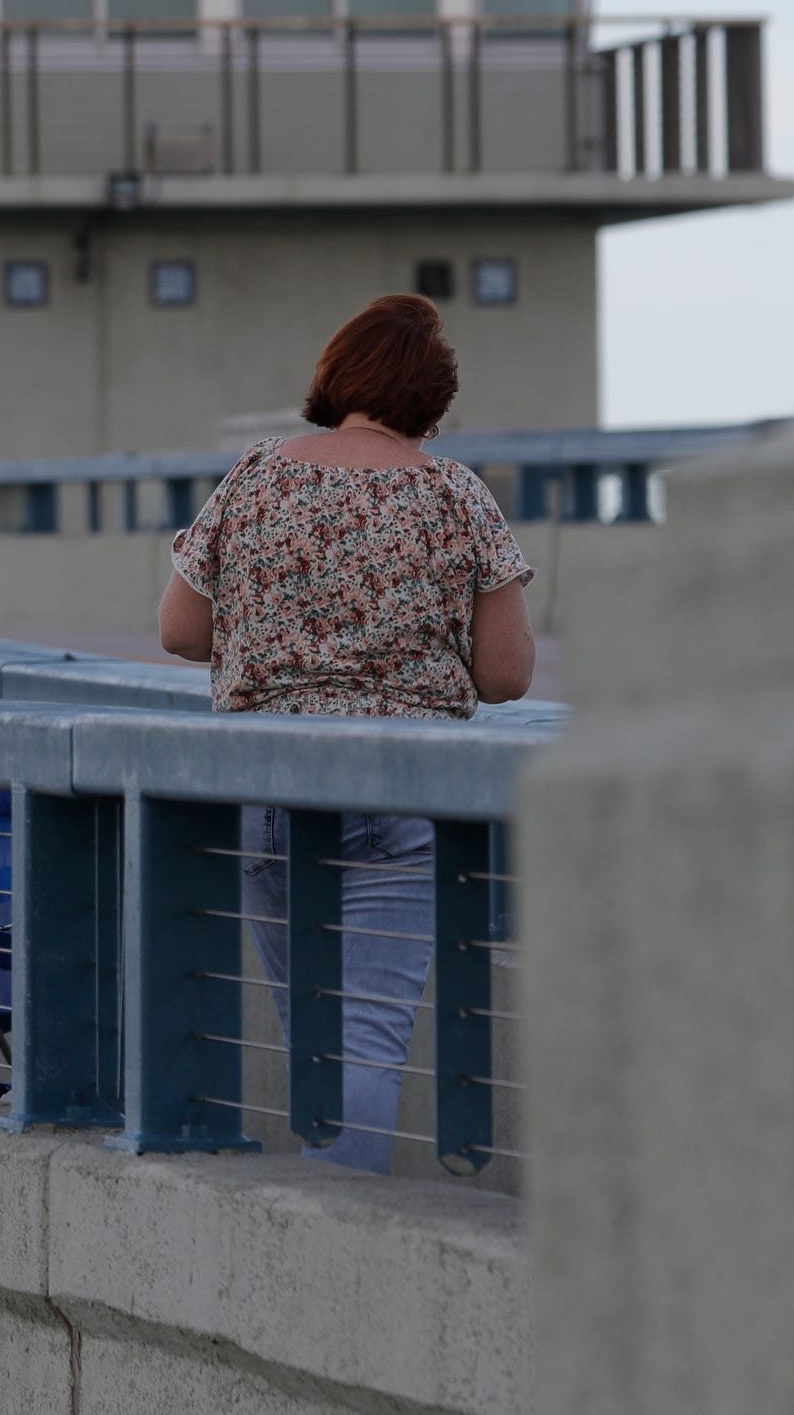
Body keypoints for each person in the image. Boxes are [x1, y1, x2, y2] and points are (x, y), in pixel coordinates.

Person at [159, 292, 534, 1173]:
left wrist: (279, 639)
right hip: (396, 792)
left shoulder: (255, 475)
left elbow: (180, 630)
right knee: (364, 1040)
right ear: (433, 399)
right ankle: (335, 1248)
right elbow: (508, 674)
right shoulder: (454, 494)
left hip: (264, 786)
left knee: (316, 1042)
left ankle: (314, 1232)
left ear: (338, 376)